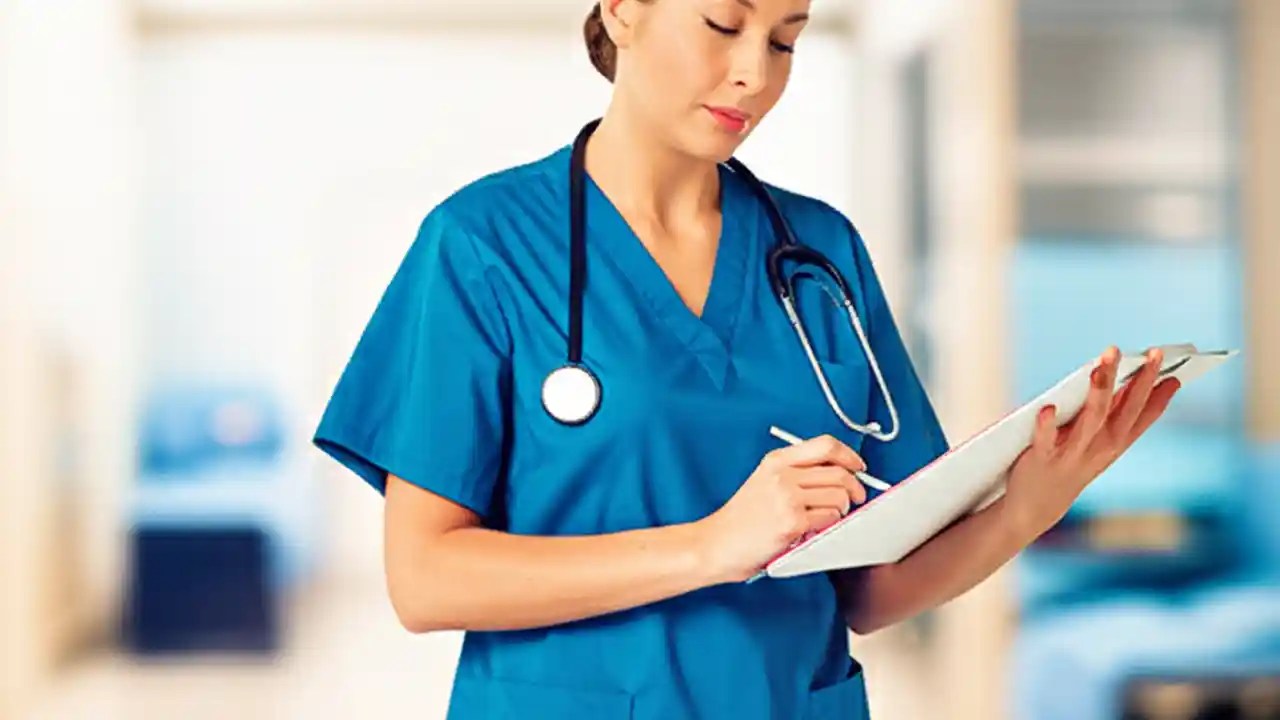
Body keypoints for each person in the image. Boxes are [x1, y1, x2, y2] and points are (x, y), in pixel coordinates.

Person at [312, 1, 1181, 717]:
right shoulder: (483, 244)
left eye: (786, 40)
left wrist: (1026, 506)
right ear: (622, 11)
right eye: (723, 25)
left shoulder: (820, 253)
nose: (755, 75)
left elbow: (869, 594)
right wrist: (711, 546)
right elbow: (425, 581)